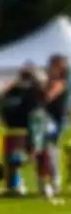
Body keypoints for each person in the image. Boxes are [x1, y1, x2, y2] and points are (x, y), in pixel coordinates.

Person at [0, 65, 42, 195]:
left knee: (27, 158)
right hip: (13, 128)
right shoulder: (13, 90)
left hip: (25, 129)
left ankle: (39, 185)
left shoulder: (34, 91)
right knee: (13, 159)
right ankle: (14, 185)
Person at [38, 54, 67, 200]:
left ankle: (55, 180)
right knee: (43, 150)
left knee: (51, 150)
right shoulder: (50, 81)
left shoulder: (60, 82)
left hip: (54, 121)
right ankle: (46, 181)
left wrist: (42, 85)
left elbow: (49, 96)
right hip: (45, 120)